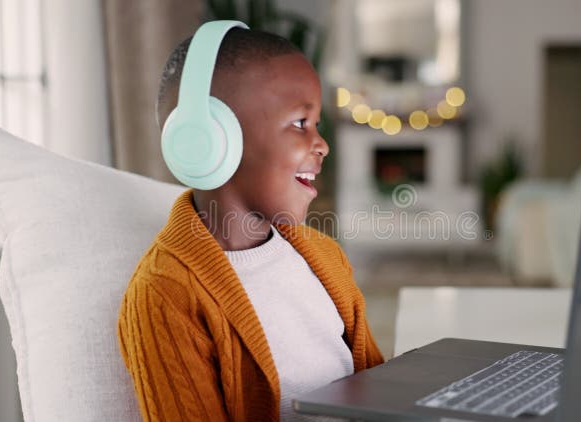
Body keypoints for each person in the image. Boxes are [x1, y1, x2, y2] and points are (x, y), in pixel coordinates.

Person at [117, 23, 384, 422]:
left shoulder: (325, 256)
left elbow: (380, 388)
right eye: (300, 123)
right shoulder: (166, 295)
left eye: (318, 125)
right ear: (210, 139)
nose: (322, 144)